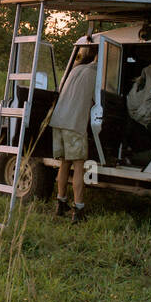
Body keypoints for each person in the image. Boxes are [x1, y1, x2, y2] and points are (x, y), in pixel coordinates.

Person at [48, 43, 97, 223]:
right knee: (78, 166)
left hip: (59, 121)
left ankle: (61, 203)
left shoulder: (76, 70)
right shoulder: (96, 74)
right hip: (74, 124)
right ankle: (79, 209)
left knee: (64, 164)